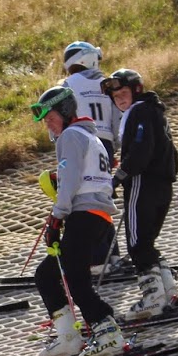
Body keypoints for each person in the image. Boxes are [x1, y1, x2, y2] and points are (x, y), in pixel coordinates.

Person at [29, 85, 130, 356]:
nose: (47, 123)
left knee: (75, 279)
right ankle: (68, 338)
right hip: (97, 217)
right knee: (48, 275)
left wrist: (56, 216)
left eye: (49, 117)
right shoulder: (91, 137)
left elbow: (70, 180)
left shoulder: (70, 136)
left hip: (83, 215)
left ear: (64, 111)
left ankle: (107, 333)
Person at [105, 68, 178, 320]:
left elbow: (140, 151)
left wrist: (119, 177)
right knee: (147, 242)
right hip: (162, 184)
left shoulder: (138, 112)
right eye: (115, 97)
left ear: (136, 90)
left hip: (142, 183)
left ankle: (153, 299)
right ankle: (169, 291)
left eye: (123, 93)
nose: (119, 99)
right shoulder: (154, 111)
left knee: (137, 244)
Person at [60, 40, 125, 268]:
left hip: (80, 142)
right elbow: (117, 116)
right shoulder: (107, 83)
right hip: (105, 145)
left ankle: (97, 259)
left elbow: (61, 114)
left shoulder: (68, 84)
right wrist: (116, 147)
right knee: (103, 197)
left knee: (86, 200)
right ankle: (113, 254)